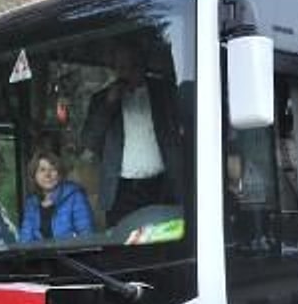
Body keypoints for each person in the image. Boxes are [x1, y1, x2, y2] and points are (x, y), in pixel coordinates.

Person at [82, 43, 181, 225]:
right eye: (122, 67)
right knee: (124, 243)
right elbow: (90, 140)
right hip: (121, 189)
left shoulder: (164, 91)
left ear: (143, 65)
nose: (128, 73)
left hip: (163, 184)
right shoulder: (101, 99)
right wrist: (109, 105)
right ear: (115, 70)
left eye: (133, 65)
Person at [18, 150, 94, 242]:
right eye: (42, 170)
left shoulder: (75, 196)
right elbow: (25, 240)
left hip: (71, 255)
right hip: (41, 256)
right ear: (34, 176)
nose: (48, 175)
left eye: (53, 169)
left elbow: (87, 236)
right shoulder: (31, 203)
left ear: (59, 174)